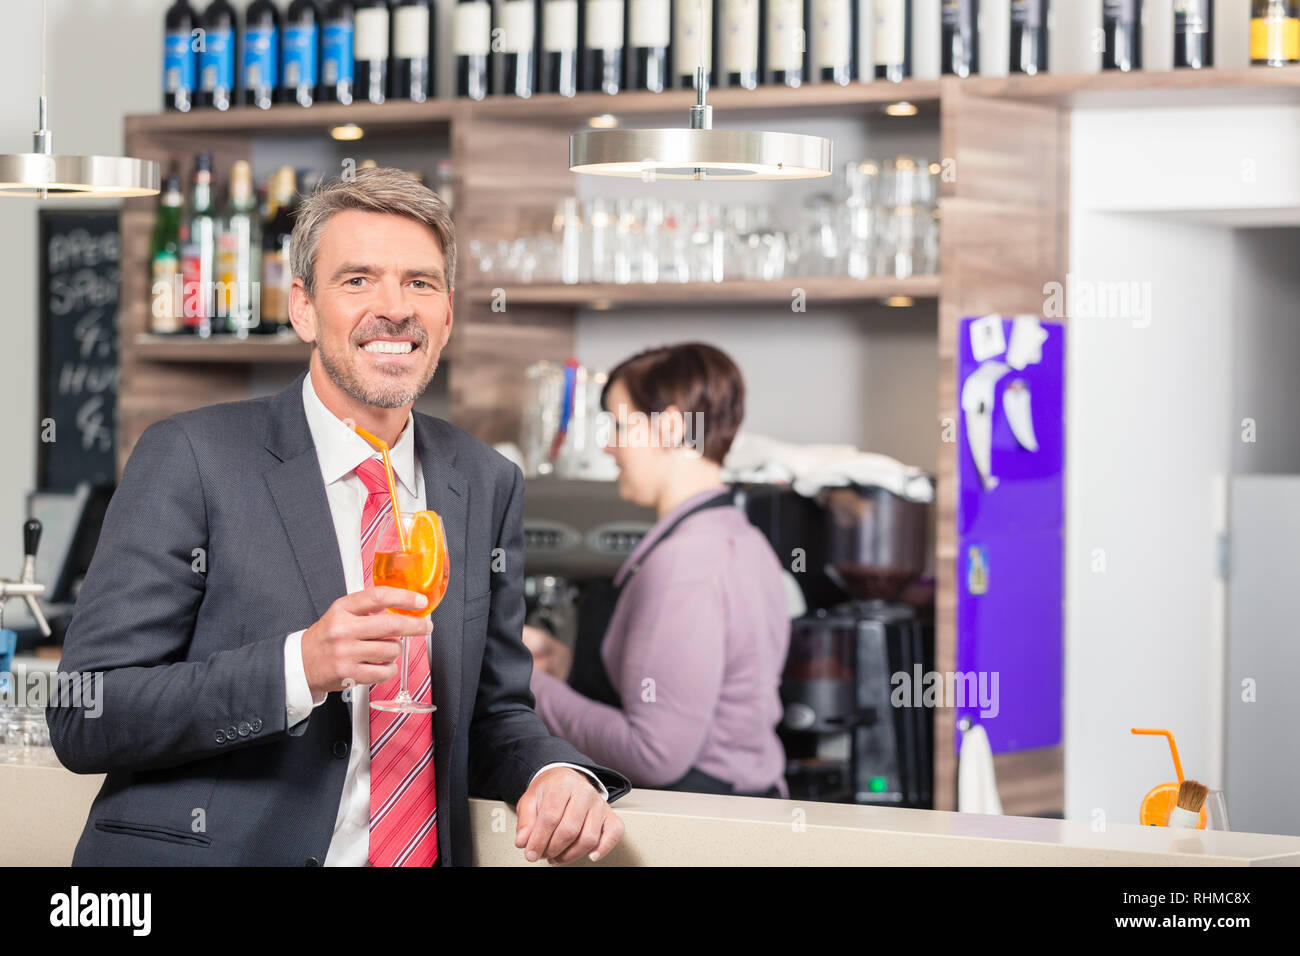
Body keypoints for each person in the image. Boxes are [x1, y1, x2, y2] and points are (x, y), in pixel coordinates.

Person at [47, 167, 628, 866]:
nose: (395, 308)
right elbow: (87, 710)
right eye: (358, 280)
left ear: (447, 312)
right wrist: (300, 667)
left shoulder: (485, 479)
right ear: (302, 307)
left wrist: (552, 772)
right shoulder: (192, 456)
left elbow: (493, 712)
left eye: (420, 282)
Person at [524, 343, 791, 798]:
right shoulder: (739, 538)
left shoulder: (685, 562)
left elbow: (653, 753)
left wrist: (523, 680)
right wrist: (563, 663)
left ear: (669, 427)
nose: (609, 446)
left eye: (621, 426)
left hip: (703, 823)